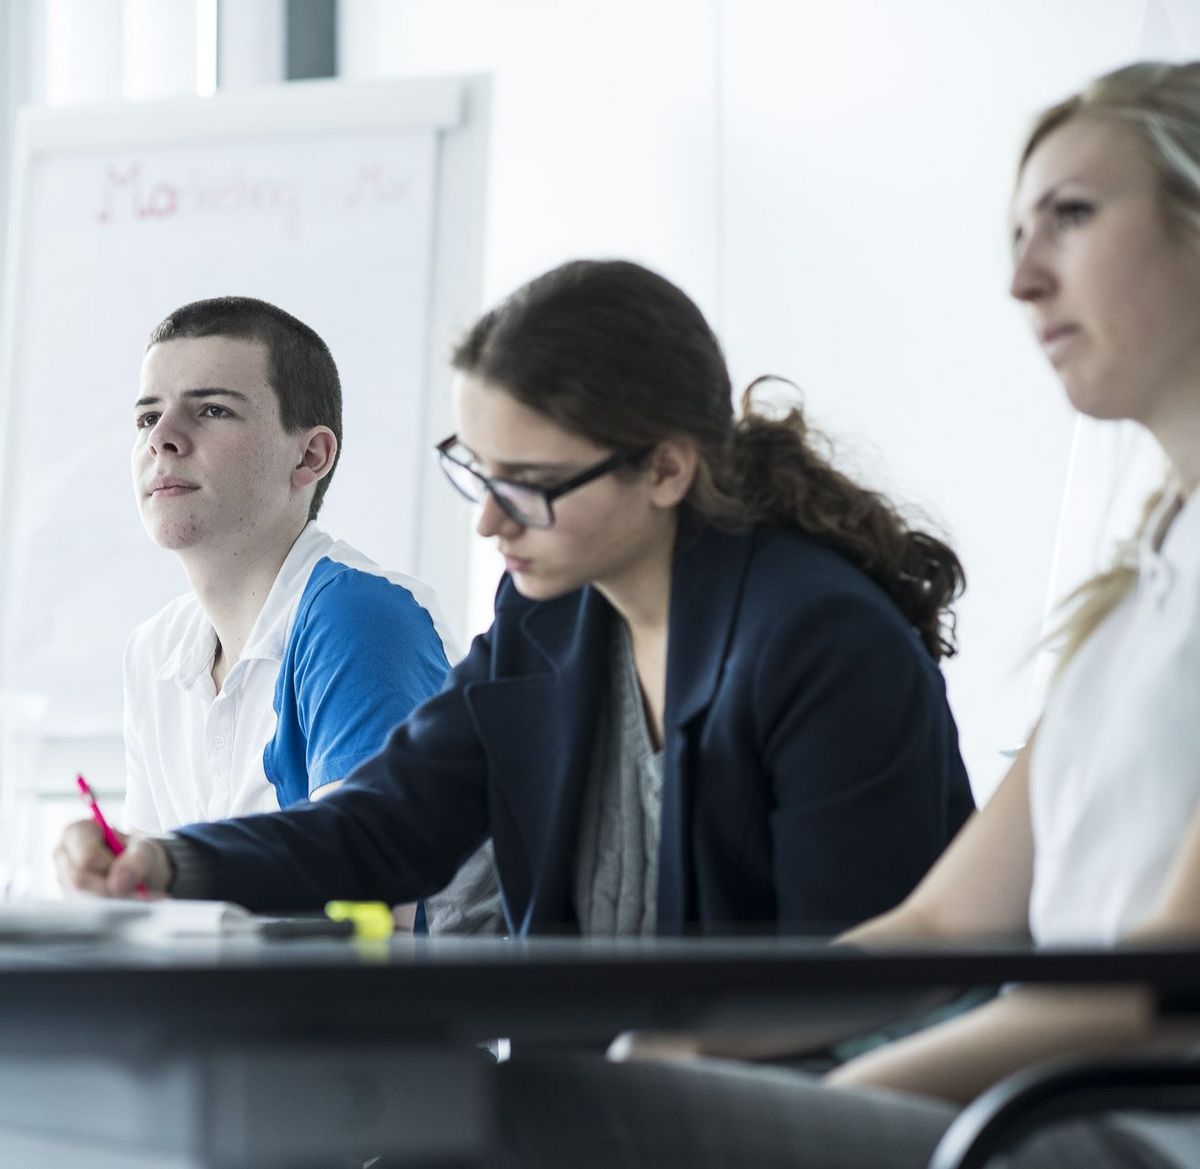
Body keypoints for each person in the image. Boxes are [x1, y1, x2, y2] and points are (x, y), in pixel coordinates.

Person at [476, 59, 1200, 1168]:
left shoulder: (818, 627)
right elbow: (943, 925)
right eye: (1017, 232)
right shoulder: (1138, 585)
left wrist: (845, 1097)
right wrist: (678, 1038)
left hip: (1127, 1127)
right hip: (1051, 1114)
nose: (1022, 280)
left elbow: (1147, 987)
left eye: (1073, 216)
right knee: (545, 1100)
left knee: (522, 1121)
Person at [57, 260, 973, 938]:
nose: (491, 521)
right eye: (481, 475)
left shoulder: (819, 638)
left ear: (664, 468)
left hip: (804, 1096)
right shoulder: (550, 622)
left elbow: (849, 977)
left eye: (529, 482)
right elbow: (387, 824)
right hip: (604, 1092)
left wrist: (661, 1066)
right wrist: (173, 861)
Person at [119, 296, 498, 932]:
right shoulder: (153, 649)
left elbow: (373, 912)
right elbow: (145, 911)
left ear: (310, 457)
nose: (162, 439)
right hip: (214, 1022)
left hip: (354, 1026)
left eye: (211, 410)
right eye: (147, 417)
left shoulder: (359, 617)